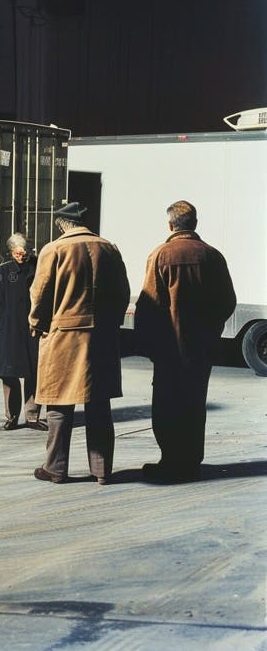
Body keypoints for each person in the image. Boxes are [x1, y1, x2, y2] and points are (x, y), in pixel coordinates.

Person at [28, 202, 129, 485]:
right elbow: (123, 293)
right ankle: (102, 471)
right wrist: (110, 323)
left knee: (59, 405)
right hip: (102, 337)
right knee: (99, 404)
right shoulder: (109, 248)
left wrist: (36, 322)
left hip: (63, 337)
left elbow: (40, 293)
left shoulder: (54, 250)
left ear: (62, 224)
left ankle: (56, 469)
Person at [135, 200, 236, 483]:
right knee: (194, 403)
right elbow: (228, 301)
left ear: (170, 225)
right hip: (201, 348)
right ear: (194, 223)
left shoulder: (161, 255)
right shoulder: (213, 256)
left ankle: (171, 461)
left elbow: (148, 304)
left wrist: (149, 344)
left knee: (167, 404)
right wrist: (211, 330)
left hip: (169, 349)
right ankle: (191, 461)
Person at [0, 233, 46, 431]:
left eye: (24, 253)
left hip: (33, 328)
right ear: (11, 252)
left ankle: (32, 416)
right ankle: (12, 416)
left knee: (34, 373)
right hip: (10, 329)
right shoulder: (3, 272)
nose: (21, 256)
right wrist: (2, 322)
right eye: (17, 253)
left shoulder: (38, 268)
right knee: (10, 374)